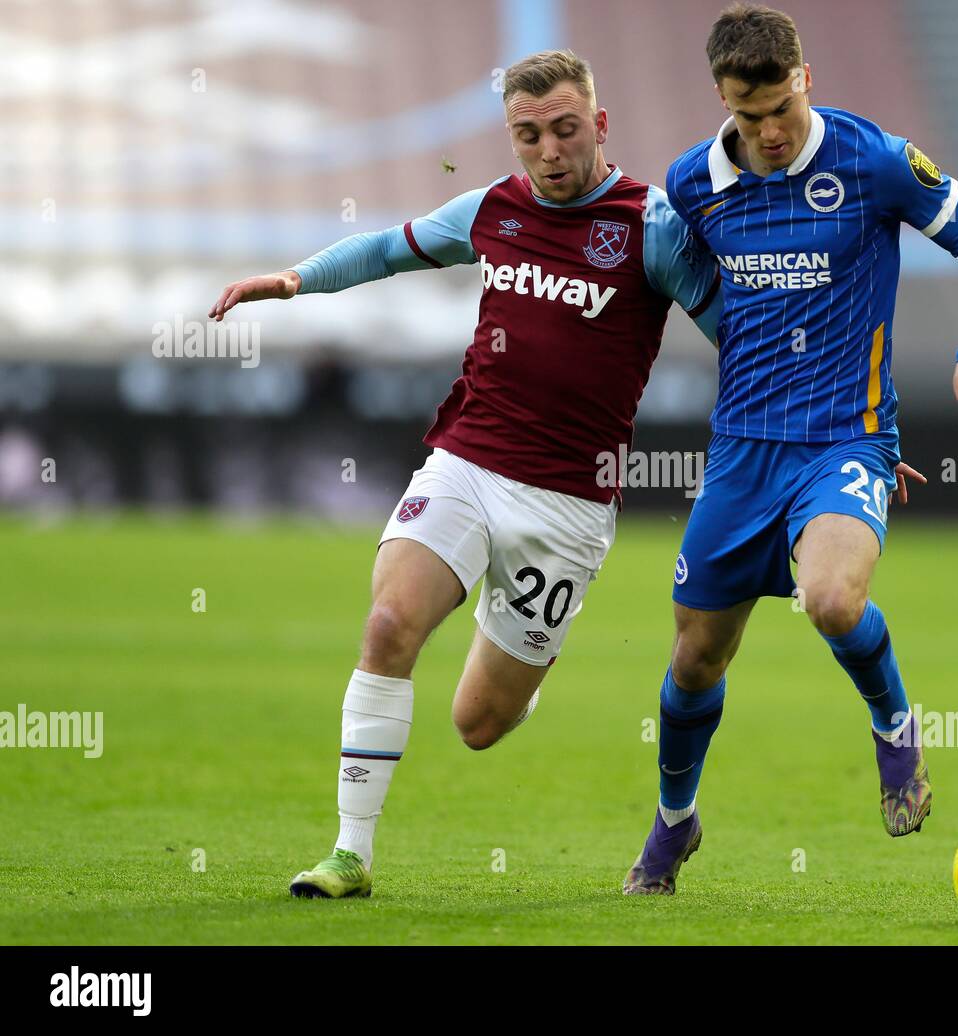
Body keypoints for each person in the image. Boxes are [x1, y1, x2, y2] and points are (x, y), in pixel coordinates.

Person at [209, 49, 722, 899]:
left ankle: (523, 668)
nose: (550, 151)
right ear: (512, 138)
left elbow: (737, 336)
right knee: (386, 625)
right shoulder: (493, 209)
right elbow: (386, 249)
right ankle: (350, 854)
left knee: (479, 723)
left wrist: (836, 431)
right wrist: (295, 280)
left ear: (599, 125)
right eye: (529, 136)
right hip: (467, 462)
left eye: (565, 130)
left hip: (565, 505)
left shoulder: (651, 226)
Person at [624, 3, 958, 895]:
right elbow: (677, 288)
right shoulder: (692, 183)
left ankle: (893, 729)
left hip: (846, 439)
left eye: (780, 110)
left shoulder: (875, 159)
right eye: (745, 114)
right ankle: (674, 825)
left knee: (832, 600)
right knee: (695, 661)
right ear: (721, 97)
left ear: (807, 79)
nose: (766, 132)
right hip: (741, 453)